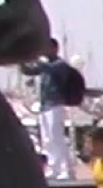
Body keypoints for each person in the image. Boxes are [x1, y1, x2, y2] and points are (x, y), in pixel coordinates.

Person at [26, 37, 78, 179]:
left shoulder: (60, 65)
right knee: (48, 139)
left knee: (57, 138)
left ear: (55, 48)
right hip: (45, 106)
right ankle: (54, 168)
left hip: (56, 105)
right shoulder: (46, 65)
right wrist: (21, 61)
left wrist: (33, 56)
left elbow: (47, 68)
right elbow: (30, 71)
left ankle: (67, 169)